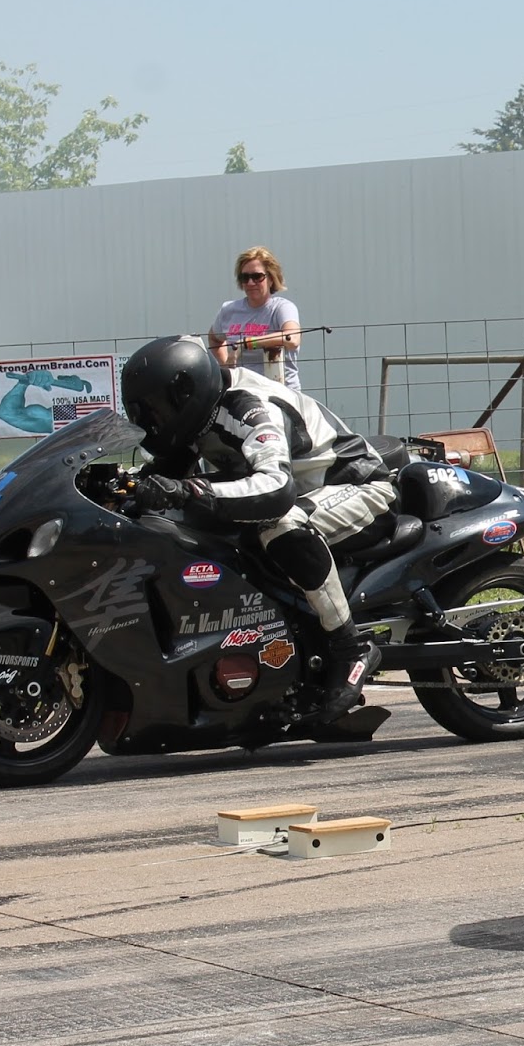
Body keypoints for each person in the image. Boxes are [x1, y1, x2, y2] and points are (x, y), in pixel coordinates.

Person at [119, 335, 394, 720]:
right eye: (143, 413)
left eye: (157, 411)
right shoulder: (201, 415)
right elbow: (168, 469)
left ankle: (352, 647)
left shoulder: (251, 410)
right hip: (305, 489)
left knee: (280, 525)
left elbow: (276, 490)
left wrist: (189, 491)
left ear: (185, 395)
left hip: (355, 486)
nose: (152, 422)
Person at [209, 246, 303, 389]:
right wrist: (226, 368)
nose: (250, 283)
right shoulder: (228, 310)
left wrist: (245, 344)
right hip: (242, 391)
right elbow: (214, 338)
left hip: (281, 392)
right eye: (245, 278)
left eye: (257, 277)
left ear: (271, 279)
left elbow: (292, 339)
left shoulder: (282, 308)